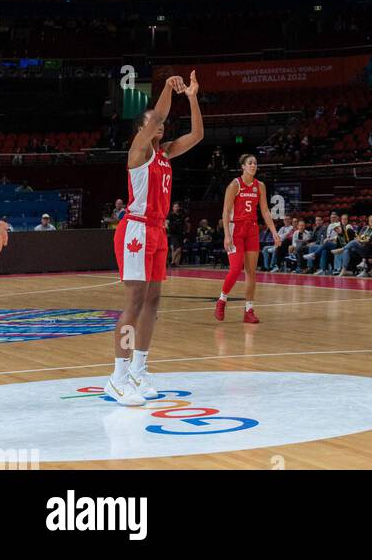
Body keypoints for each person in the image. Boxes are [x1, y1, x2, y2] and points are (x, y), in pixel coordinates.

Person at [109, 71, 203, 405]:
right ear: (141, 130)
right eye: (152, 122)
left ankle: (139, 368)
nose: (159, 125)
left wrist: (191, 96)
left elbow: (197, 135)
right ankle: (117, 377)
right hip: (135, 229)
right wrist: (166, 87)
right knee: (134, 302)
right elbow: (160, 113)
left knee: (153, 302)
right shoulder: (138, 151)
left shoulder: (164, 153)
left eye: (160, 124)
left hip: (157, 230)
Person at [214, 154, 281, 322]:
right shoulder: (234, 185)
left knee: (251, 272)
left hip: (252, 229)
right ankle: (222, 300)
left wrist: (274, 231)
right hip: (235, 229)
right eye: (250, 163)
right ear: (242, 166)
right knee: (235, 269)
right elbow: (225, 211)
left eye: (255, 163)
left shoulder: (260, 186)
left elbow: (265, 211)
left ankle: (249, 310)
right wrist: (227, 235)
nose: (253, 165)